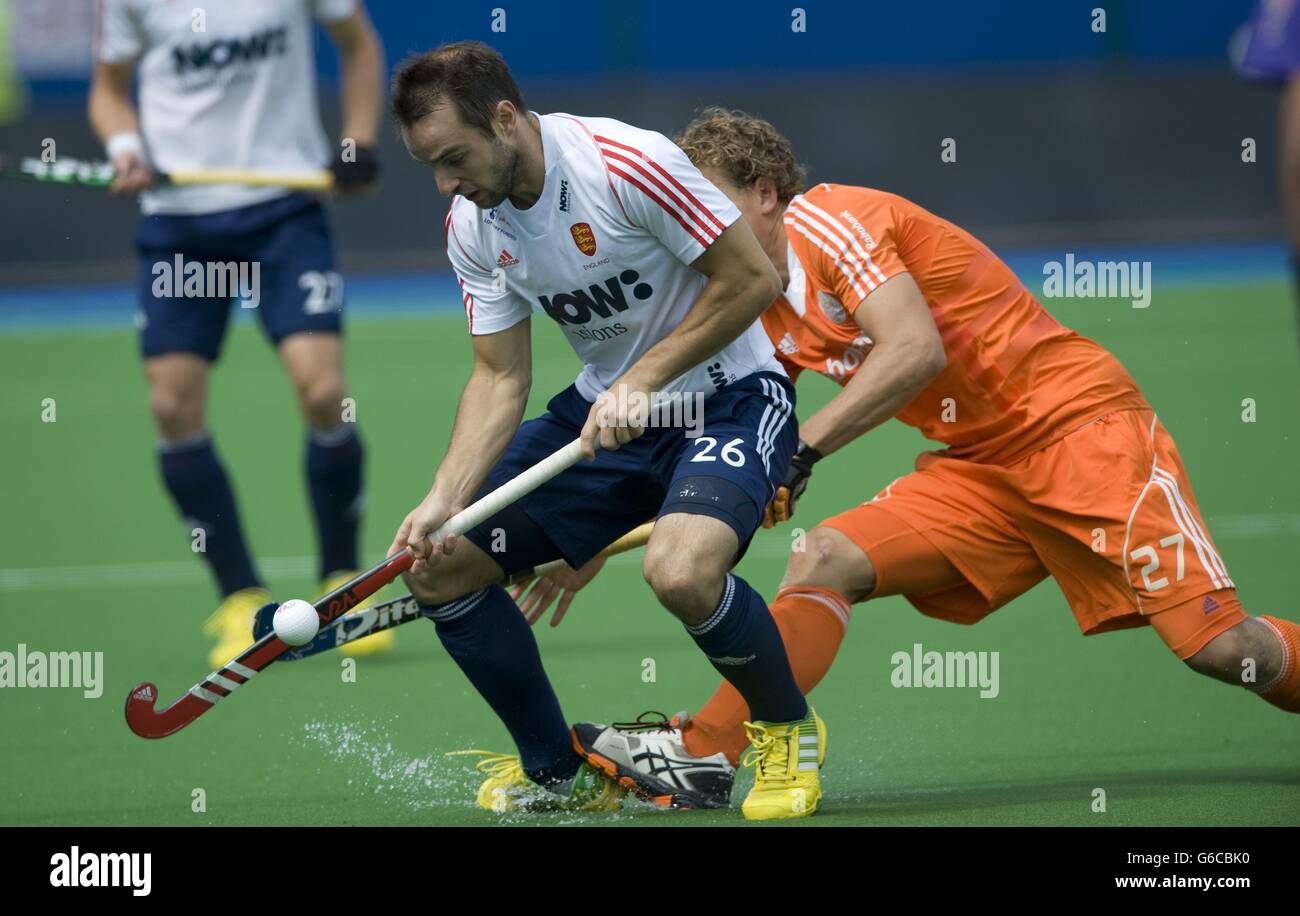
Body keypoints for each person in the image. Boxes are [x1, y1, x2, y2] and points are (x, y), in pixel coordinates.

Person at [515, 109, 1300, 811]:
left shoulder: (831, 223)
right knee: (823, 559)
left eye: (712, 204)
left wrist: (805, 450)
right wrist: (587, 540)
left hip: (1087, 434)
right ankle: (706, 752)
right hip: (980, 468)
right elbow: (729, 441)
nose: (696, 229)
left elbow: (914, 353)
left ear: (764, 192)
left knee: (1224, 652)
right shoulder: (748, 301)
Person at [386, 43, 822, 820]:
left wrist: (645, 378)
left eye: (453, 159)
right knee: (441, 567)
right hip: (603, 419)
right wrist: (441, 498)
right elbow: (498, 378)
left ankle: (787, 731)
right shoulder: (473, 227)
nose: (446, 184)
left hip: (728, 400)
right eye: (431, 167)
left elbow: (756, 278)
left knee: (680, 572)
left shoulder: (626, 164)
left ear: (506, 118)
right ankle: (561, 776)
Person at [89, 0, 388, 665]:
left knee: (322, 393)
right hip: (180, 225)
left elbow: (359, 47)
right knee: (172, 406)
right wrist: (126, 147)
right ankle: (238, 599)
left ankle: (342, 583)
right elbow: (109, 92)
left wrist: (356, 142)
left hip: (285, 212)